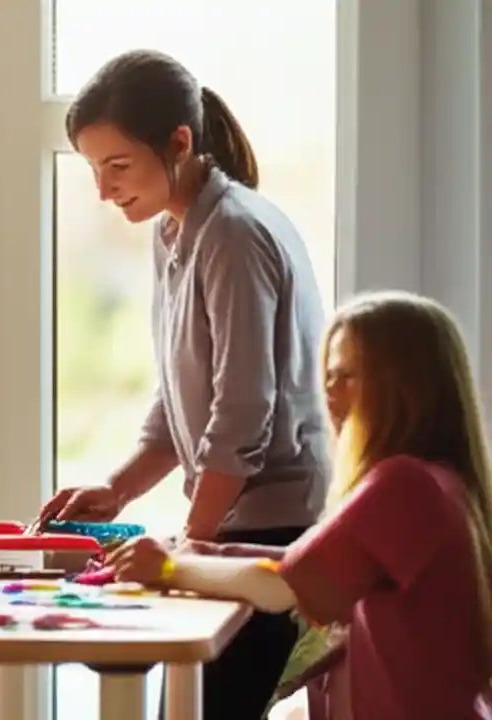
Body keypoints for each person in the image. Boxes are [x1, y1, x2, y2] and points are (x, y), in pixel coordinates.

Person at [36, 50, 331, 719]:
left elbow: (243, 411)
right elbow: (180, 397)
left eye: (117, 166)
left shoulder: (232, 231)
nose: (104, 191)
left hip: (276, 528)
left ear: (179, 143)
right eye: (94, 170)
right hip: (234, 520)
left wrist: (187, 546)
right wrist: (119, 488)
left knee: (204, 707)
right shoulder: (174, 230)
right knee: (188, 704)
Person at [111, 292, 492, 720]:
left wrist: (167, 569)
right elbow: (304, 561)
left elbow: (282, 586)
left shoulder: (405, 485)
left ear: (407, 386)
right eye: (329, 375)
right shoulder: (444, 483)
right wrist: (202, 552)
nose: (330, 391)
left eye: (349, 375)